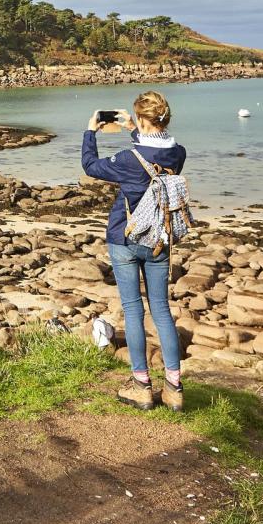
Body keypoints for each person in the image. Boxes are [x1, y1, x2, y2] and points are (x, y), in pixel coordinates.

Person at [81, 91, 187, 412]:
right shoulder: (178, 153)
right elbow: (155, 153)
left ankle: (141, 386)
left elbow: (90, 166)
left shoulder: (127, 159)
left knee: (133, 310)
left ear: (141, 117)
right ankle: (174, 388)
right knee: (162, 310)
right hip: (158, 239)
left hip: (124, 239)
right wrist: (134, 129)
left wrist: (90, 131)